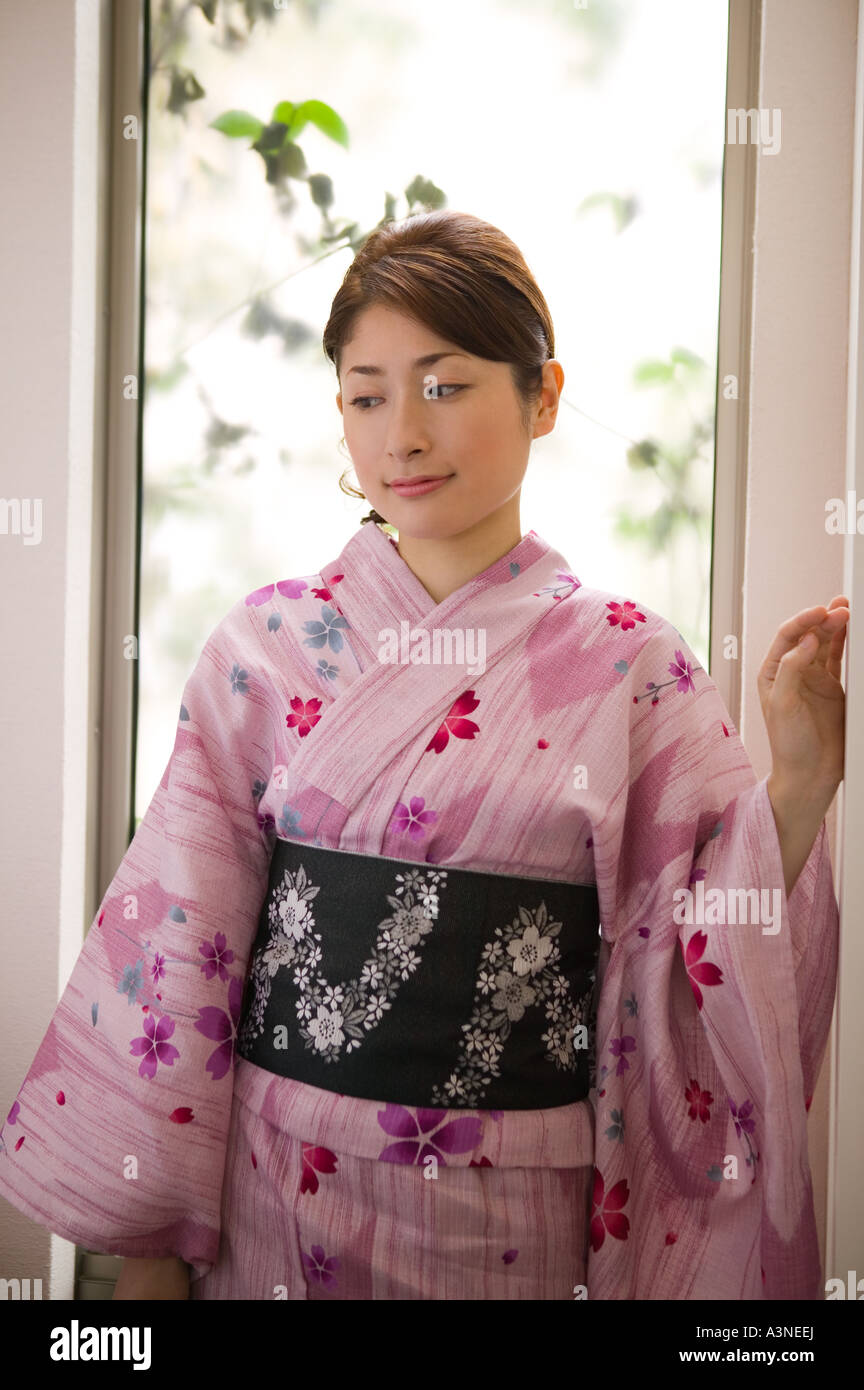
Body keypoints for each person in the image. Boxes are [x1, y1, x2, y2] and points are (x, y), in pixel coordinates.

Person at [0, 211, 848, 1301]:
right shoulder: (262, 648)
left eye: (444, 386)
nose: (400, 433)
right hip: (277, 1187)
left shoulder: (634, 666)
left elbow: (702, 962)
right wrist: (151, 1259)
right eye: (366, 394)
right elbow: (175, 953)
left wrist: (801, 780)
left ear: (541, 395)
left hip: (513, 1215)